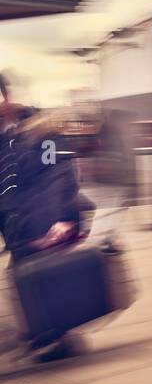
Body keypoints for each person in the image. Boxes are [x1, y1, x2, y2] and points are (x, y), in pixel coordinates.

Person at [1, 106, 95, 361]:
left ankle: (57, 338)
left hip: (46, 220)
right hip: (22, 224)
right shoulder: (11, 140)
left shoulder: (44, 137)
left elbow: (61, 176)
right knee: (24, 276)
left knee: (43, 277)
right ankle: (43, 334)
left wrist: (62, 218)